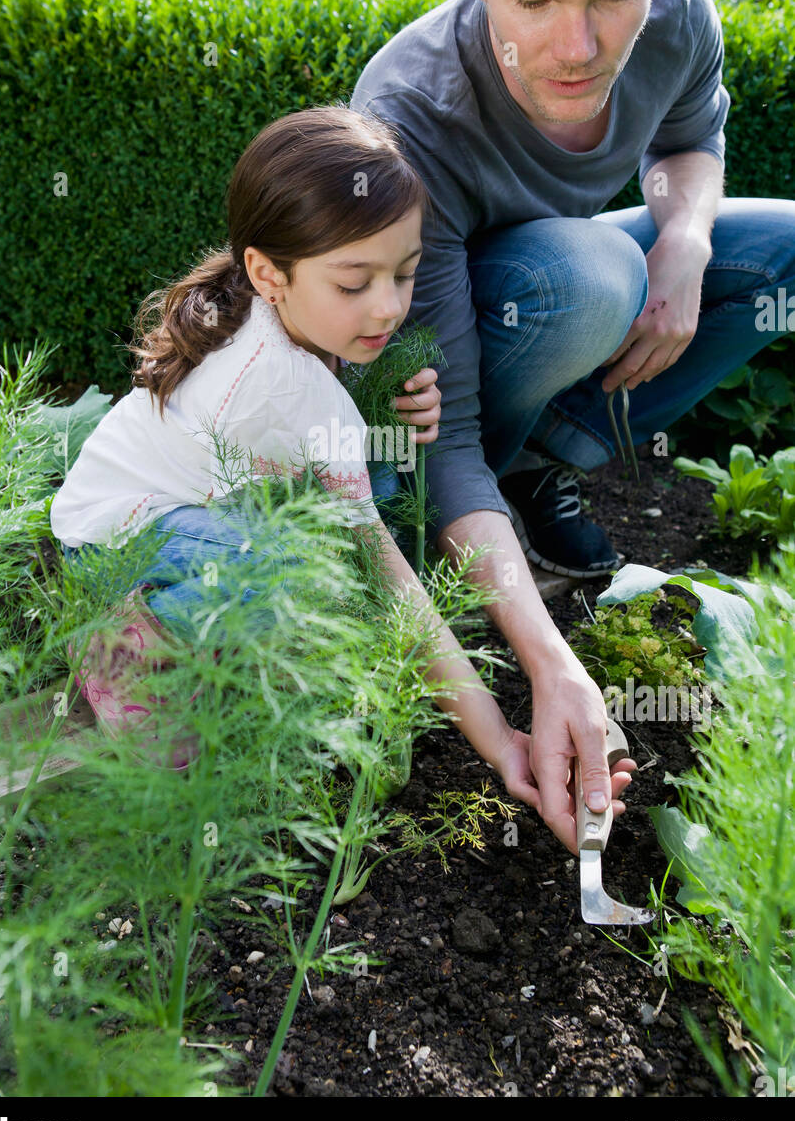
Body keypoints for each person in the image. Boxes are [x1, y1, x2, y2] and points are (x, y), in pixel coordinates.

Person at [348, 0, 795, 851]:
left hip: (566, 303)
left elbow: (692, 136)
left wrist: (683, 240)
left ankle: (550, 459)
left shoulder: (678, 16)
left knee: (770, 251)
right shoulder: (406, 114)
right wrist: (551, 664)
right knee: (589, 273)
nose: (576, 44)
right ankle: (500, 499)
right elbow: (433, 431)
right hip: (460, 377)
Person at [49, 104, 638, 828]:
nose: (388, 307)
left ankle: (197, 637)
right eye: (355, 284)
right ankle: (121, 655)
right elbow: (380, 568)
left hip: (165, 509)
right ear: (269, 273)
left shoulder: (275, 314)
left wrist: (387, 398)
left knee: (326, 539)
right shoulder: (281, 390)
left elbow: (330, 411)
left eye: (406, 273)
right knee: (296, 578)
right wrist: (496, 737)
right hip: (115, 545)